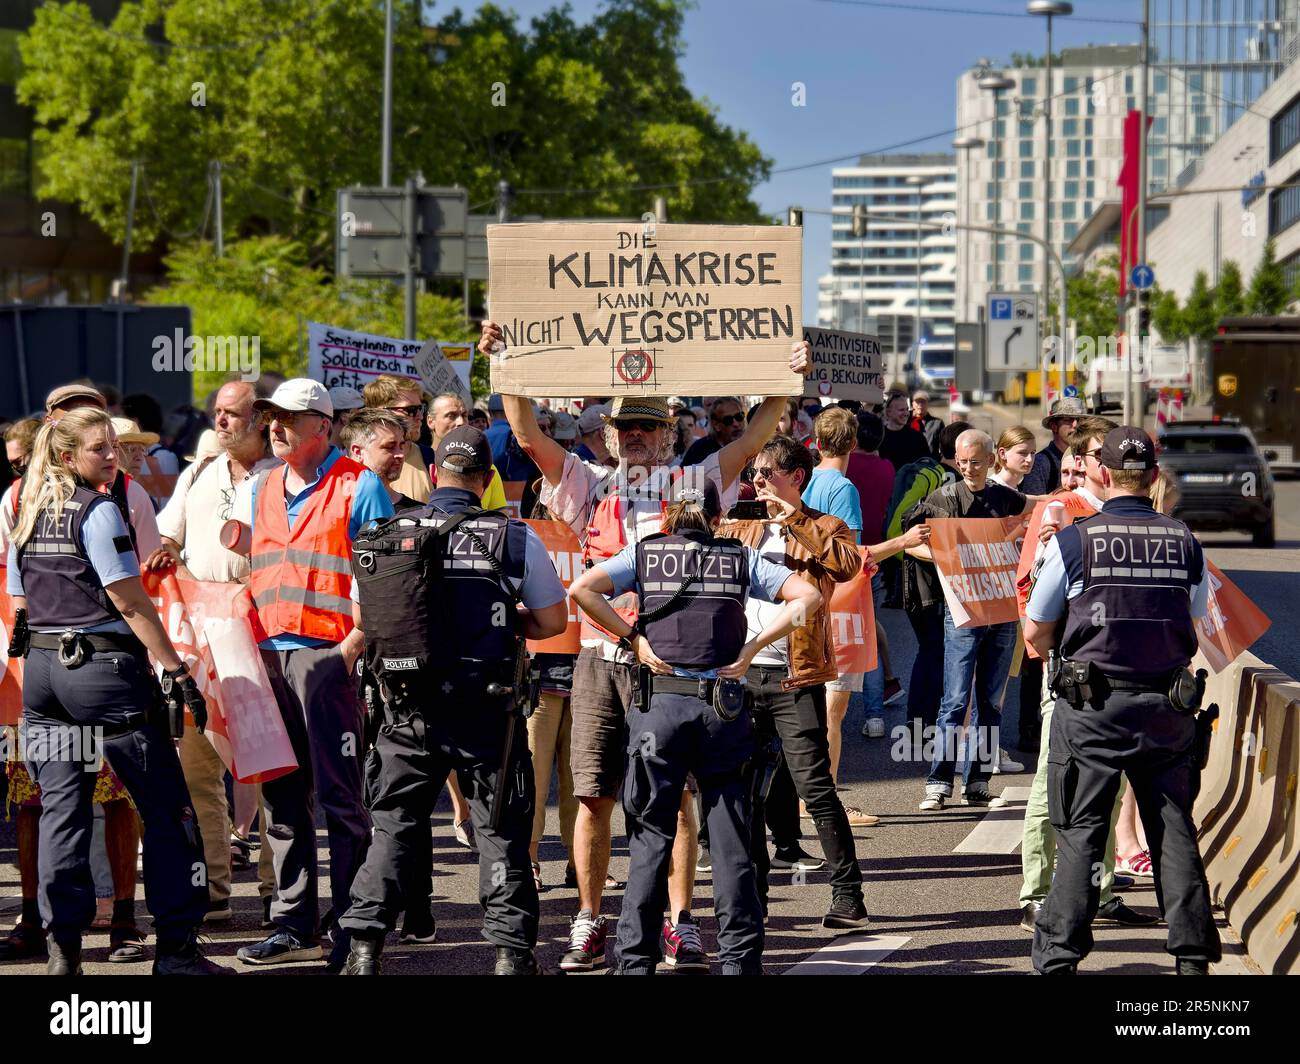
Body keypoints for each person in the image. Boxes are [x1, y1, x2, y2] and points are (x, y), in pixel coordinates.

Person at [478, 319, 811, 972]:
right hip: (606, 659)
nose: (636, 437)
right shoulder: (586, 483)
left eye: (648, 428)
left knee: (679, 797)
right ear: (608, 434)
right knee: (594, 795)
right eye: (625, 428)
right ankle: (589, 919)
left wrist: (786, 373)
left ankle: (680, 922)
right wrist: (505, 363)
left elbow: (756, 433)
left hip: (677, 673)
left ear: (670, 434)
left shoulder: (695, 482)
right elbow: (525, 435)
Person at [338, 427, 568, 975]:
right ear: (487, 480)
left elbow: (366, 623)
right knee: (498, 828)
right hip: (486, 707)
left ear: (434, 473)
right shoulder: (512, 537)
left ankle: (364, 950)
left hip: (405, 705)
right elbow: (553, 622)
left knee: (394, 823)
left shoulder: (385, 532)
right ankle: (511, 956)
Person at [7, 407, 228, 975]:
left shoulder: (25, 510)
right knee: (168, 810)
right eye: (99, 449)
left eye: (114, 446)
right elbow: (130, 601)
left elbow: (21, 600)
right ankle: (178, 951)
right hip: (104, 674)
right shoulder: (99, 510)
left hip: (45, 675)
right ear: (65, 457)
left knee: (63, 814)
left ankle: (63, 956)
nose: (113, 457)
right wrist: (176, 670)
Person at [569, 480, 822, 975]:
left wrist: (633, 640)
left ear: (669, 515)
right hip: (722, 713)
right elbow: (806, 597)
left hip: (657, 712)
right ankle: (739, 962)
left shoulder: (645, 554)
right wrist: (752, 648)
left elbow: (582, 590)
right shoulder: (740, 557)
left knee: (648, 844)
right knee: (731, 846)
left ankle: (635, 964)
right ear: (716, 516)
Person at [1024, 426, 1220, 975]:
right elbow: (1198, 619)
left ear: (1101, 473)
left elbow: (1035, 634)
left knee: (1082, 831)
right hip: (1168, 711)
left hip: (1090, 711)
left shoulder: (1073, 542)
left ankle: (1060, 958)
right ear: (1154, 477)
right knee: (1174, 831)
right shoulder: (1185, 541)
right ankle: (1192, 960)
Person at [720, 433, 925, 928]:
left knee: (816, 787)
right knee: (745, 791)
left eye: (766, 474)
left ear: (796, 478)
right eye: (753, 475)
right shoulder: (743, 528)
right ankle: (755, 896)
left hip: (796, 674)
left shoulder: (824, 525)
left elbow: (849, 564)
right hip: (742, 674)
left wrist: (792, 520)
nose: (758, 483)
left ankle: (847, 895)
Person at [229, 379, 394, 970]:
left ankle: (353, 927)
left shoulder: (361, 484)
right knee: (281, 794)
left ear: (321, 427)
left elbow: (383, 578)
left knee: (341, 798)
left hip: (327, 656)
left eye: (289, 419)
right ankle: (294, 923)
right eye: (271, 417)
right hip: (269, 654)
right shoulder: (262, 484)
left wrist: (349, 649)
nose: (274, 426)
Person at [143, 379, 279, 927]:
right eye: (217, 414)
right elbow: (168, 534)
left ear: (260, 420)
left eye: (231, 414)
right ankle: (215, 889)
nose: (219, 422)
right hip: (201, 639)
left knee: (269, 768)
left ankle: (279, 891)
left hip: (261, 636)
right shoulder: (197, 473)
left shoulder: (282, 478)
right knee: (198, 769)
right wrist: (166, 552)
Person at [1017, 418, 1151, 935]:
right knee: (1053, 788)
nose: (1105, 463)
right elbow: (1031, 591)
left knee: (1112, 789)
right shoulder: (1059, 509)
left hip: (1126, 677)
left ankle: (1100, 890)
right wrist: (1050, 657)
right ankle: (1036, 892)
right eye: (1099, 454)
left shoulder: (1137, 512)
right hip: (1073, 677)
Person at [904, 430, 1033, 811]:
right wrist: (947, 558)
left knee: (990, 702)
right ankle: (938, 782)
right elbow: (912, 540)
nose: (967, 468)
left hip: (1002, 610)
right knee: (955, 699)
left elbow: (1033, 508)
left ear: (992, 459)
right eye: (962, 462)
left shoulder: (1003, 496)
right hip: (962, 611)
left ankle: (977, 781)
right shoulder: (944, 497)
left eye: (975, 461)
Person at [362, 375, 434, 503]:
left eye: (420, 408)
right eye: (411, 410)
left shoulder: (431, 459)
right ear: (380, 412)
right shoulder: (354, 462)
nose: (420, 416)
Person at [1021, 396, 1085, 496]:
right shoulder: (1040, 463)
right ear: (1054, 427)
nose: (1075, 424)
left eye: (1080, 420)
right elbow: (1034, 506)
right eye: (1068, 420)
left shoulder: (1087, 458)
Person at [680, 396, 746, 468]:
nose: (736, 424)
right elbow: (678, 477)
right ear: (716, 425)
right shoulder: (699, 450)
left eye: (739, 416)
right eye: (728, 420)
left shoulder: (751, 445)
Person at [878, 392, 932, 472]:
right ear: (889, 412)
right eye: (901, 410)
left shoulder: (917, 437)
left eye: (907, 409)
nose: (906, 413)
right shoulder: (879, 437)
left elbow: (927, 465)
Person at [992, 426, 1037, 490]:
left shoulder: (1019, 489)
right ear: (1002, 453)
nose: (1029, 459)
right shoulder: (991, 490)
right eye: (1022, 453)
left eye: (1032, 452)